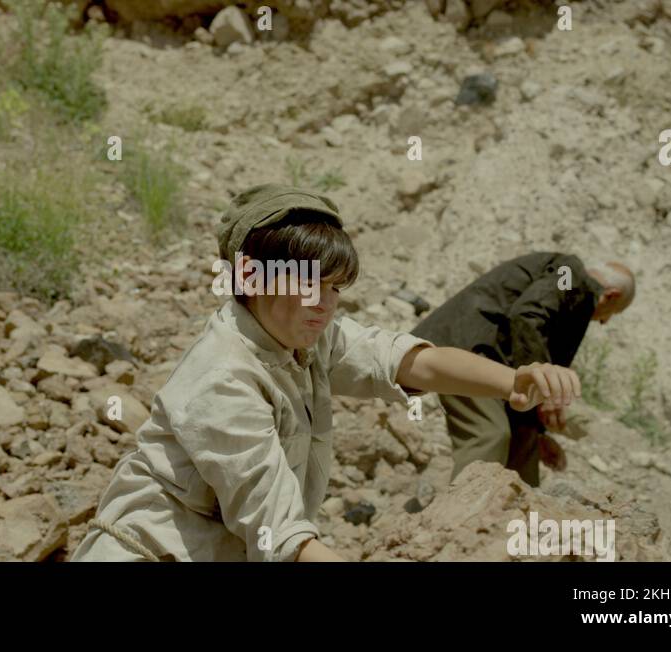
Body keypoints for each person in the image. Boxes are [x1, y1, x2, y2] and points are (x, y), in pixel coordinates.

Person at [71, 185, 581, 562]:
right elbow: (279, 530)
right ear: (251, 276)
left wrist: (513, 383)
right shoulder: (223, 377)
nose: (325, 304)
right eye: (309, 283)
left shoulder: (305, 333)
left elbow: (405, 360)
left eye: (335, 288)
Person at [411, 252, 635, 487]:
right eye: (609, 316)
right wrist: (544, 388)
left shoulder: (572, 295)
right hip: (466, 350)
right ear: (611, 296)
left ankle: (513, 517)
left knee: (524, 443)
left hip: (492, 359)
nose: (604, 322)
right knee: (489, 435)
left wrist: (538, 435)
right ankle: (460, 519)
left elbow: (526, 352)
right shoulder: (569, 274)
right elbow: (528, 314)